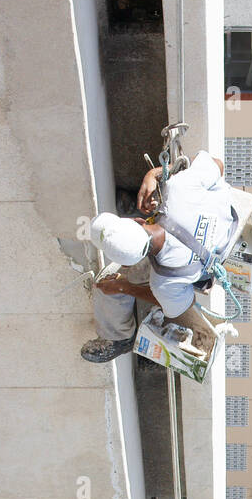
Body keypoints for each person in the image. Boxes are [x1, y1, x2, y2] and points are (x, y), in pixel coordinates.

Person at [82, 150, 233, 363]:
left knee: (107, 282)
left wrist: (123, 286)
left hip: (215, 254)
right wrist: (155, 174)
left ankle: (119, 338)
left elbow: (181, 308)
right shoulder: (179, 190)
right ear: (138, 220)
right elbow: (217, 163)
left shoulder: (165, 281)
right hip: (228, 229)